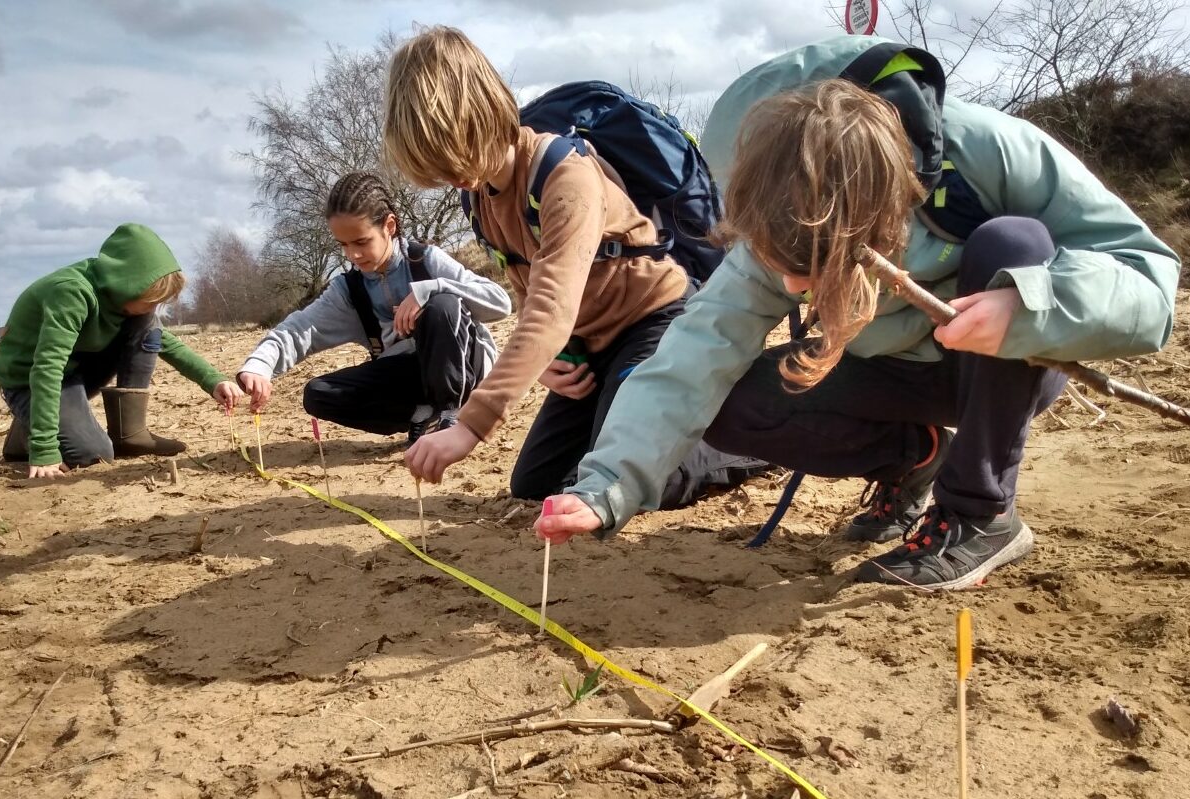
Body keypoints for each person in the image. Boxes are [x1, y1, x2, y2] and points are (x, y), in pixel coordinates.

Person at [536, 36, 1180, 590]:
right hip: (888, 372)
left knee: (1012, 244)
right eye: (780, 261)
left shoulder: (991, 150)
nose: (794, 284)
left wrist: (1030, 301)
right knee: (730, 401)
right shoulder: (776, 200)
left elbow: (1148, 279)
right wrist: (607, 485)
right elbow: (693, 353)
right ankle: (917, 457)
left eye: (810, 262)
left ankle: (979, 512)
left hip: (1013, 362)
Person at [385, 26, 769, 503]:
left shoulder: (565, 175)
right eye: (433, 164)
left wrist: (468, 426)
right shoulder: (479, 199)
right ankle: (646, 422)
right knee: (535, 485)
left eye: (450, 148)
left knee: (619, 481)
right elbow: (528, 286)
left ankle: (751, 445)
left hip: (656, 322)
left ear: (481, 110)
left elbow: (552, 307)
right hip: (589, 347)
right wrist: (553, 357)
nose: (449, 174)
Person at [236, 171, 511, 445]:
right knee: (317, 394)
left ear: (389, 226)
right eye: (343, 245)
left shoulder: (425, 260)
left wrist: (429, 290)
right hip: (408, 377)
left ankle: (452, 412)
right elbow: (297, 331)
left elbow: (500, 302)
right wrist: (259, 366)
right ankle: (423, 414)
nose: (352, 255)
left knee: (442, 304)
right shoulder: (348, 291)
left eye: (361, 242)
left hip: (466, 371)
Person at [0, 223, 243, 478]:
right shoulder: (72, 293)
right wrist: (44, 449)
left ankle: (129, 434)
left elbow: (165, 342)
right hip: (28, 380)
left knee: (150, 328)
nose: (155, 308)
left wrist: (213, 380)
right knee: (92, 454)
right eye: (151, 300)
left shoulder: (125, 304)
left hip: (75, 369)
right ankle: (28, 433)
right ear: (127, 284)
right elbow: (47, 368)